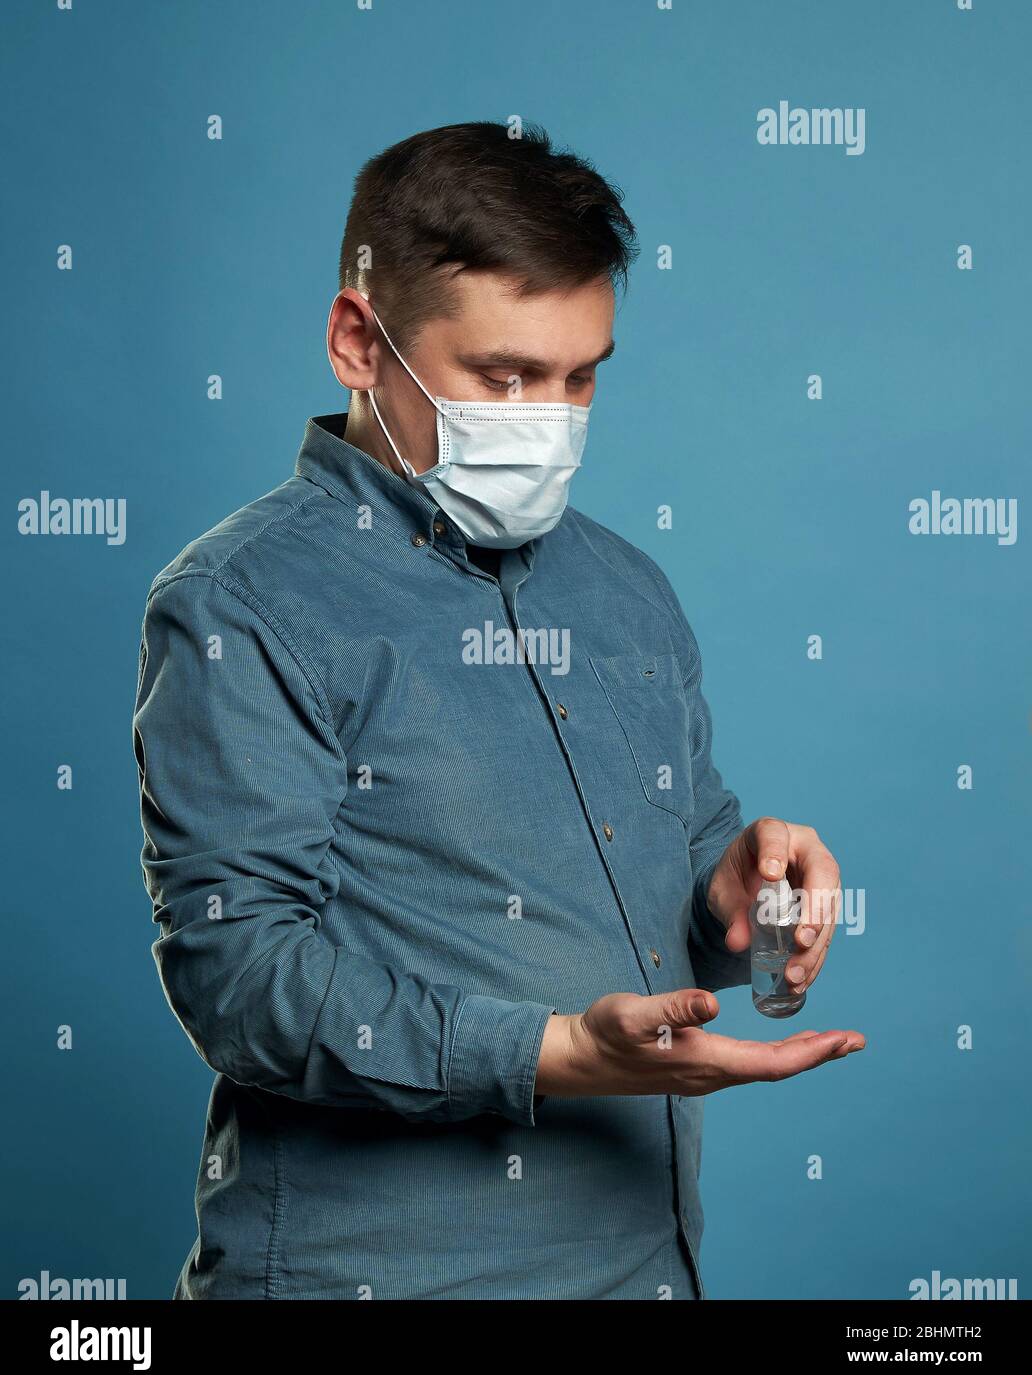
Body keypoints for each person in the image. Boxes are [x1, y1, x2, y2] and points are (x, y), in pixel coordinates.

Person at [132, 121, 864, 1301]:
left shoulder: (627, 588)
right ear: (359, 341)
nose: (551, 418)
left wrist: (737, 902)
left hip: (644, 1270)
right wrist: (550, 1053)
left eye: (582, 377)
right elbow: (242, 980)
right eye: (506, 377)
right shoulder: (242, 601)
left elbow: (663, 910)